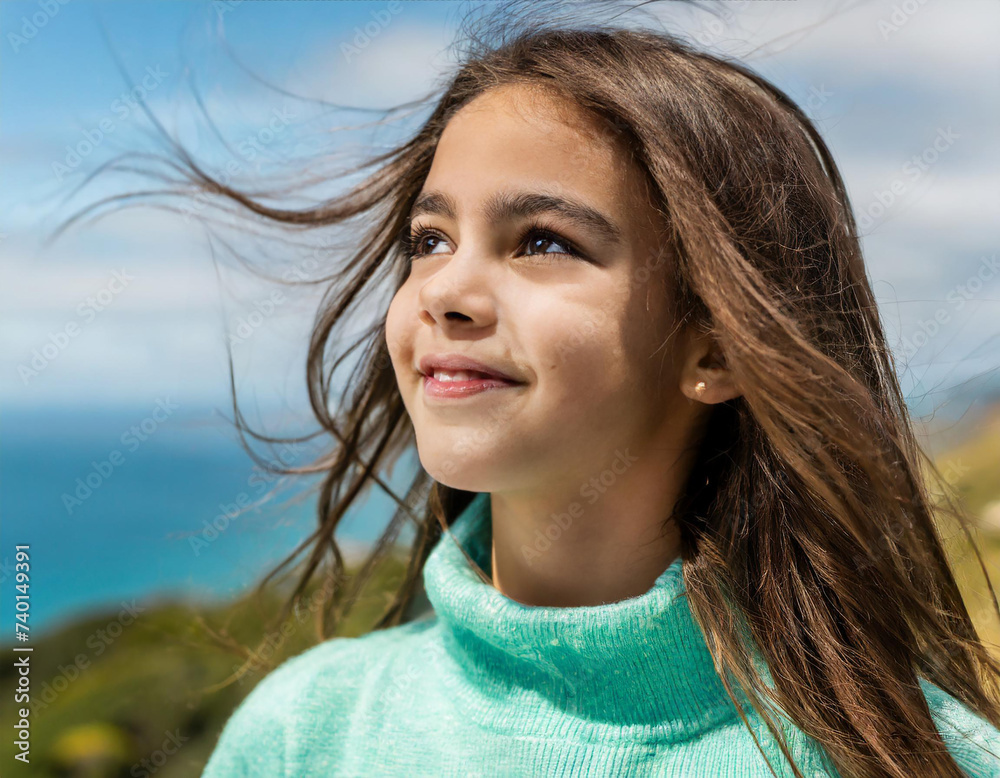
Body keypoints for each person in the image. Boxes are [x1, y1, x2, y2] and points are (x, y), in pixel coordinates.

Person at [163, 8, 1000, 778]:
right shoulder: (304, 734)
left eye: (542, 242)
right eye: (430, 237)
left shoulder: (917, 758)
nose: (445, 290)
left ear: (715, 345)